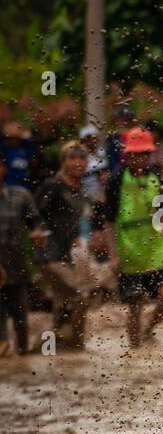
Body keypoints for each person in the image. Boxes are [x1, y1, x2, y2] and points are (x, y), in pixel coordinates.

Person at [100, 127, 163, 348]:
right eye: (136, 154)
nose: (141, 159)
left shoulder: (157, 176)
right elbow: (108, 223)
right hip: (129, 249)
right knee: (135, 303)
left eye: (145, 154)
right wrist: (113, 256)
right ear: (128, 155)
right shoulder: (116, 180)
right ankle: (135, 351)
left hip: (157, 247)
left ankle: (149, 329)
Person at [34, 142, 92, 348]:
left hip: (67, 255)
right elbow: (35, 213)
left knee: (63, 304)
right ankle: (75, 343)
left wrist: (77, 236)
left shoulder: (79, 189)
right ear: (63, 161)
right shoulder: (53, 185)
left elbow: (71, 221)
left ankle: (49, 346)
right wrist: (37, 230)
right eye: (72, 158)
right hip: (49, 254)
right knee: (81, 296)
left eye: (82, 158)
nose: (78, 162)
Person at [0, 155, 41, 355]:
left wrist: (36, 233)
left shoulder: (20, 195)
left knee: (19, 312)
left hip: (15, 260)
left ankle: (24, 354)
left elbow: (34, 221)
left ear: (3, 169)